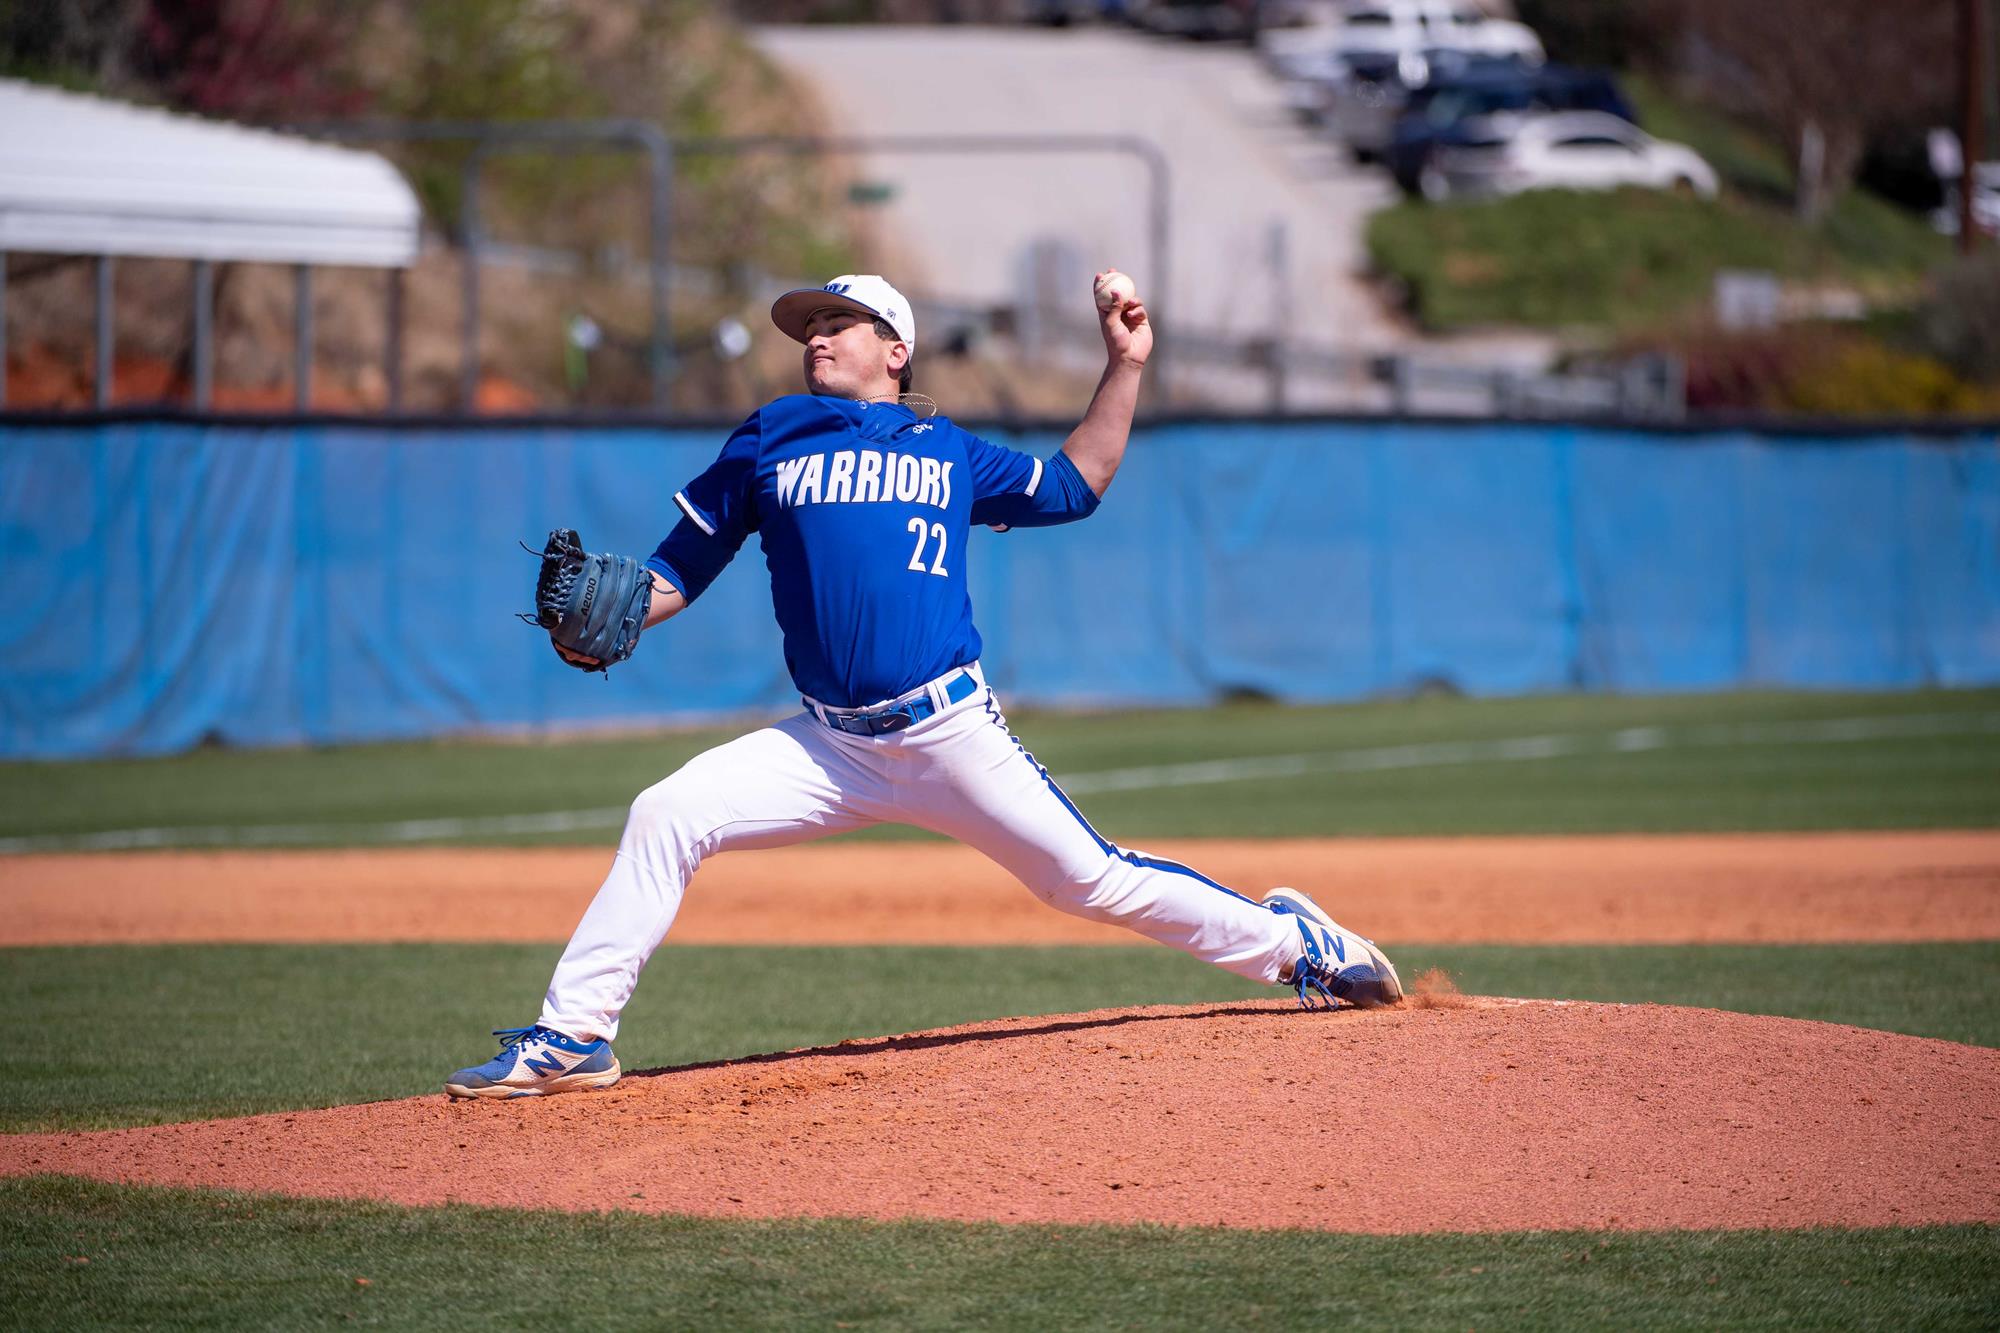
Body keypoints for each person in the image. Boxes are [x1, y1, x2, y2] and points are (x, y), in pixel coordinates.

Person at [445, 273, 1402, 1100]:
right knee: (667, 810)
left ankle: (1299, 946)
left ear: (895, 348)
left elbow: (1075, 485)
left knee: (1090, 880)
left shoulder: (944, 447)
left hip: (948, 733)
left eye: (838, 321)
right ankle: (574, 1037)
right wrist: (600, 625)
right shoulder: (769, 437)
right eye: (806, 326)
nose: (815, 335)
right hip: (830, 748)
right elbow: (675, 571)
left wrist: (1126, 365)